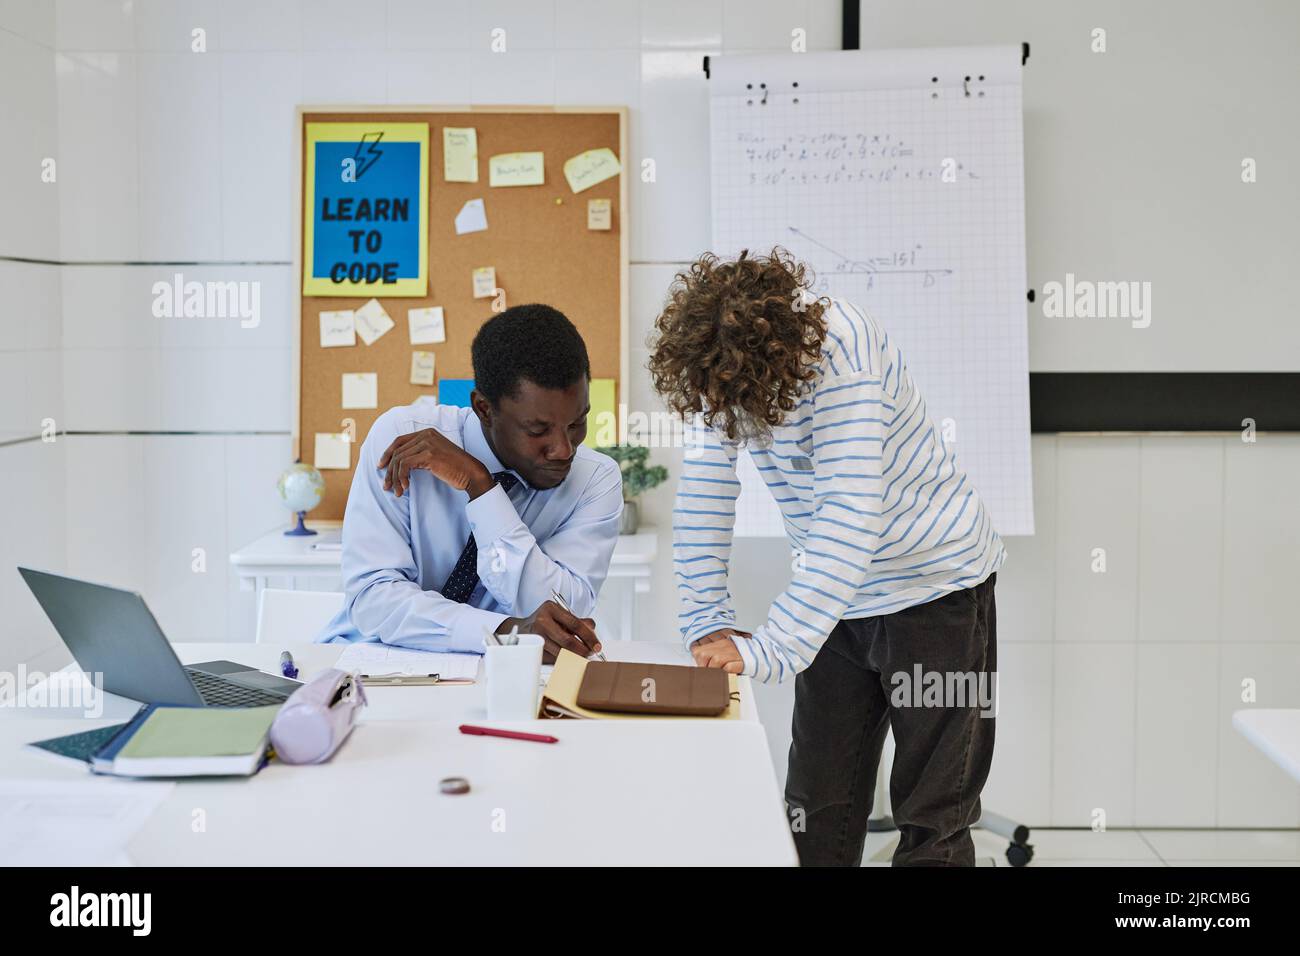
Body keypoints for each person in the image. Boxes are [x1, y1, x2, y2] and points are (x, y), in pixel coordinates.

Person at [647, 248, 1004, 866]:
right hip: (837, 602)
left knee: (931, 820)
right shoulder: (720, 365)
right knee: (815, 808)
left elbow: (849, 515)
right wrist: (706, 620)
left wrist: (768, 649)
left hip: (935, 593)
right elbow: (707, 487)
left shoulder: (842, 351)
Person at [317, 303, 623, 661]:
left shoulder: (595, 480)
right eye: (538, 430)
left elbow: (563, 614)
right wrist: (501, 631)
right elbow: (373, 598)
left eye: (577, 424)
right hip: (371, 662)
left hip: (503, 674)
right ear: (483, 408)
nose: (562, 449)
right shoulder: (401, 437)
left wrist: (482, 489)